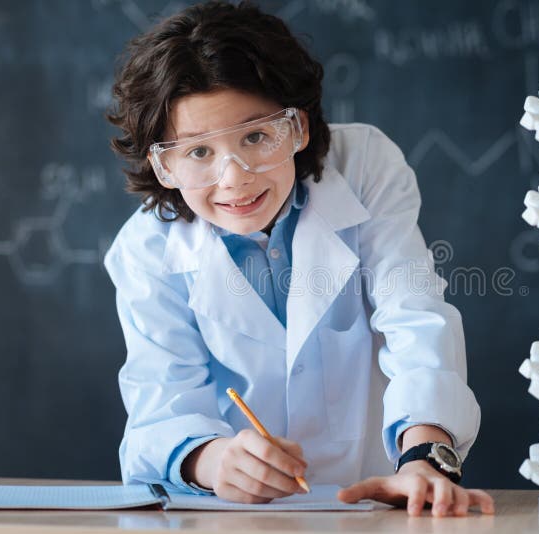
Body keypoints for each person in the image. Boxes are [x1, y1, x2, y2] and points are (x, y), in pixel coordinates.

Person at [104, 0, 493, 517]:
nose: (234, 178)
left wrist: (425, 459)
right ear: (164, 163)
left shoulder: (364, 167)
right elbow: (161, 404)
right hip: (237, 518)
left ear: (299, 128)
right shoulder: (145, 250)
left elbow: (414, 316)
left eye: (256, 136)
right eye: (198, 152)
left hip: (381, 505)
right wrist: (214, 460)